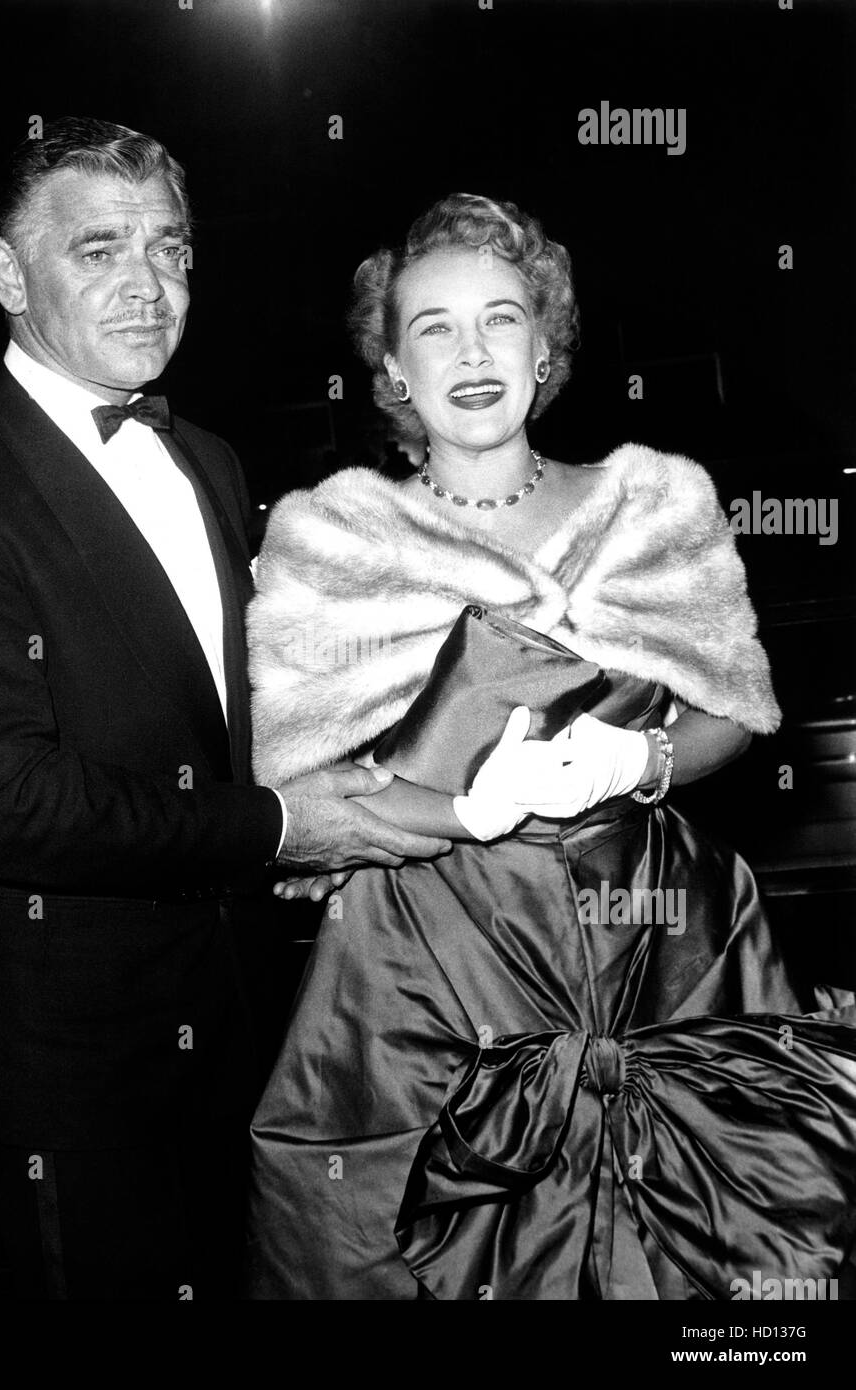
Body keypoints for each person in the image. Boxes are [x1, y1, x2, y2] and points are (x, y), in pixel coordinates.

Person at [0, 117, 450, 1301]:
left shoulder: (210, 461)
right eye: (100, 249)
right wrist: (281, 825)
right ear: (8, 275)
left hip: (243, 1028)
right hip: (66, 1067)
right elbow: (9, 807)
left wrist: (336, 800)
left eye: (169, 250)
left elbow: (216, 721)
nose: (146, 286)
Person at [245, 193, 856, 1299]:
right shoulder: (328, 542)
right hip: (420, 974)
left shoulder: (655, 505)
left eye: (502, 318)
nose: (470, 352)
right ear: (389, 363)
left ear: (545, 347)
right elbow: (301, 804)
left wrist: (644, 762)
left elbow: (740, 712)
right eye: (432, 326)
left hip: (663, 947)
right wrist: (460, 812)